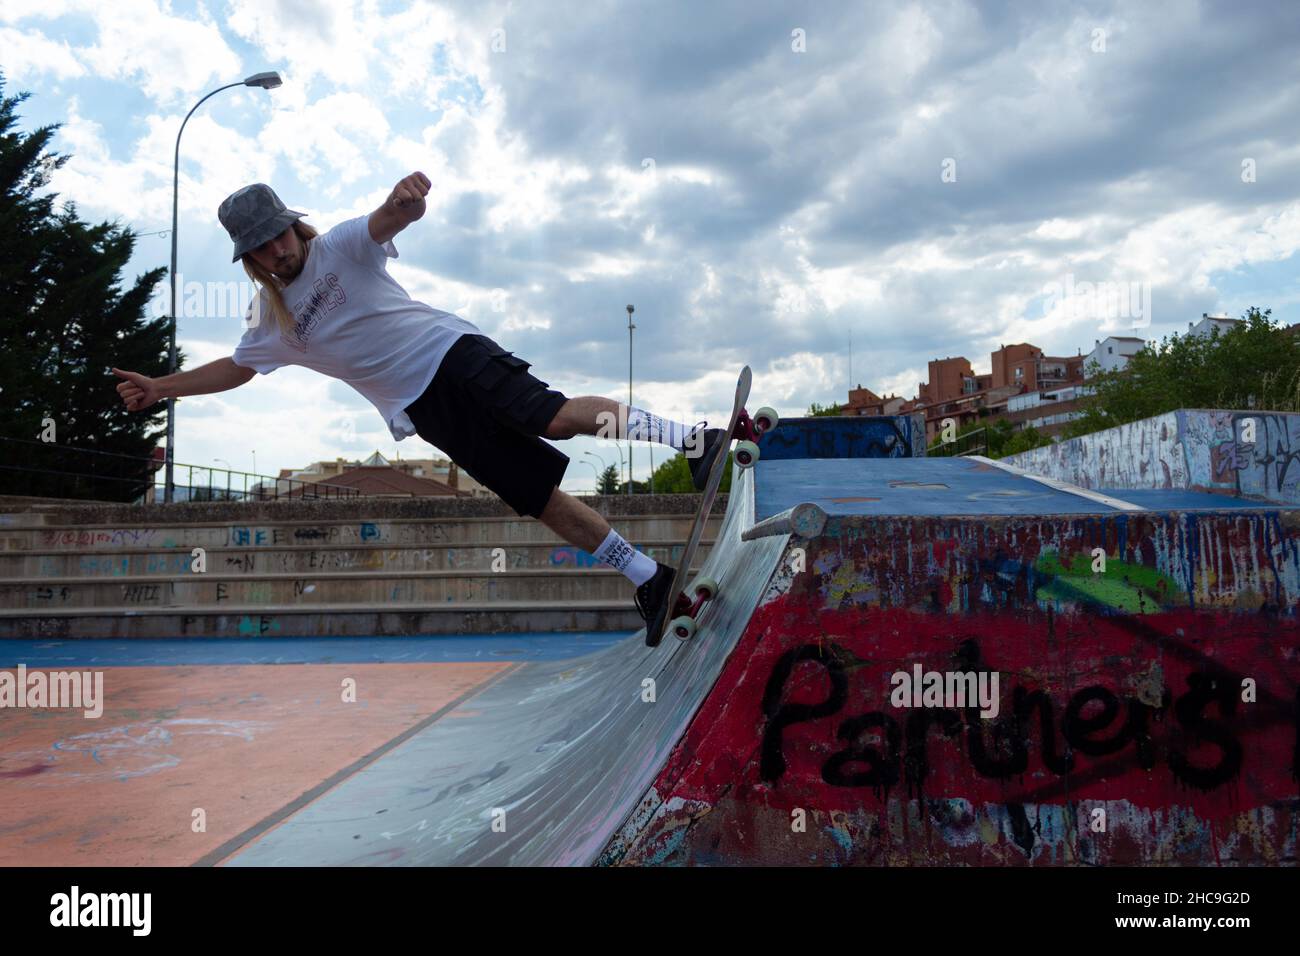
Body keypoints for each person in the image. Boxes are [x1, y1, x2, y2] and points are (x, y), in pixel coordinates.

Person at [112, 173, 728, 644]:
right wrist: (162, 387)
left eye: (279, 235)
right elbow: (236, 368)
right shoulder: (270, 319)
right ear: (249, 259)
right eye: (262, 249)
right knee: (535, 497)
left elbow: (388, 219)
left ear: (293, 225)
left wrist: (408, 201)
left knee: (550, 415)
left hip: (452, 352)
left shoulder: (341, 247)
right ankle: (649, 577)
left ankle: (692, 440)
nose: (278, 252)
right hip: (423, 409)